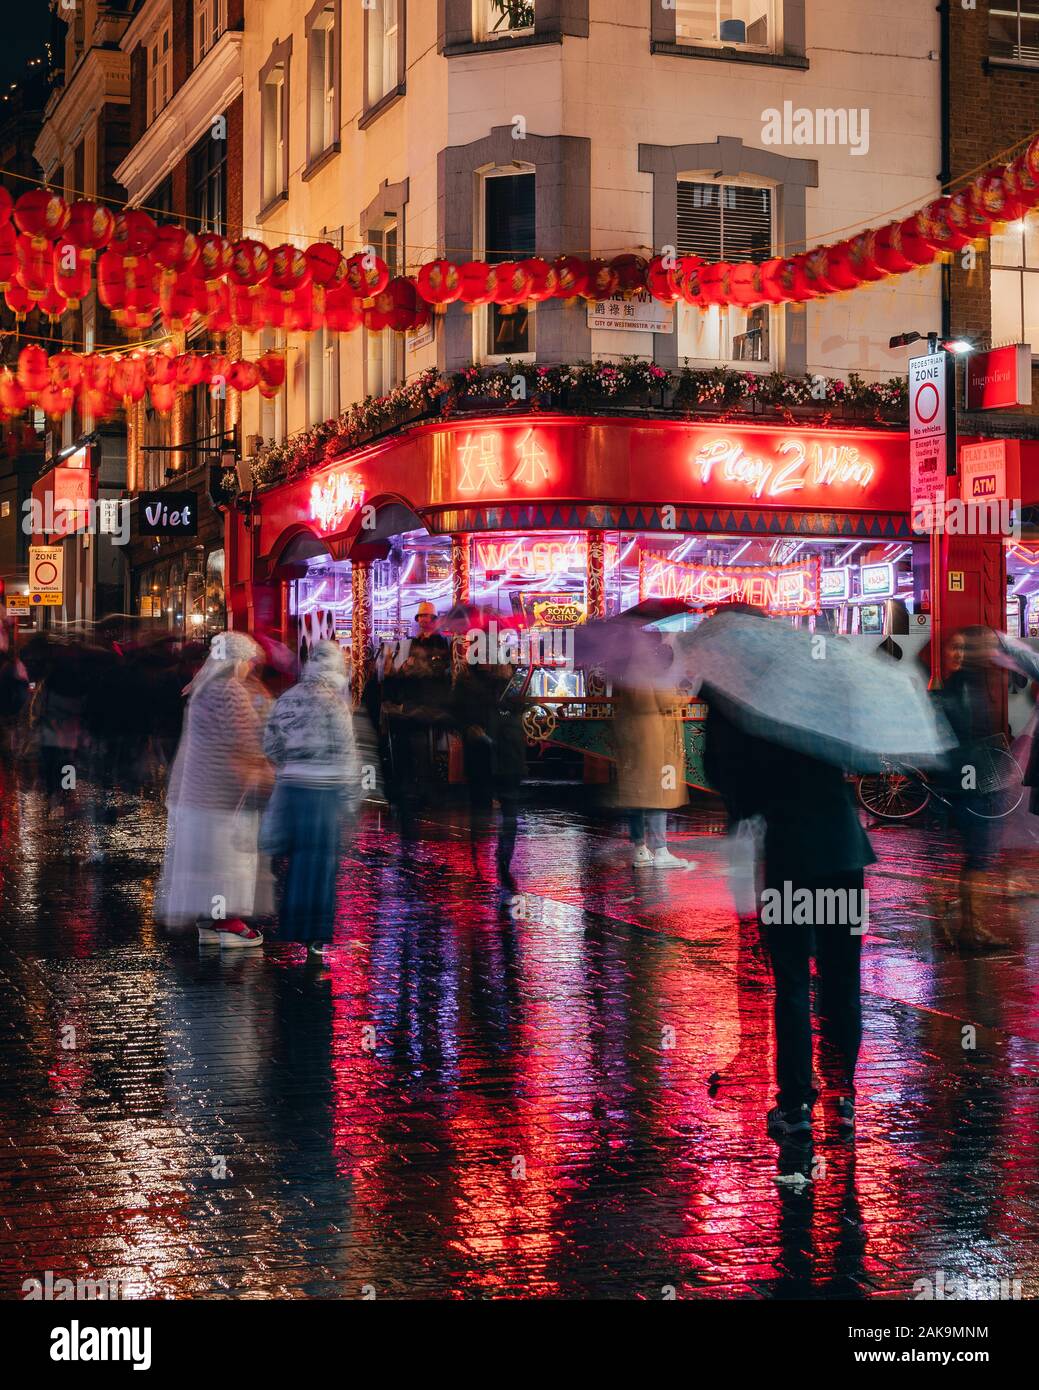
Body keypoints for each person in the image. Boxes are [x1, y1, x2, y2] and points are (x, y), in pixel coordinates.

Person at [704, 694, 875, 1143]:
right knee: (842, 982)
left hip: (790, 859)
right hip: (842, 853)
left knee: (794, 982)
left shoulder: (750, 707)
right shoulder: (825, 701)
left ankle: (797, 1104)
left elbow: (727, 780)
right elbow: (862, 759)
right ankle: (843, 1099)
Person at [155, 631, 273, 947]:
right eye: (249, 662)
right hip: (222, 794)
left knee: (207, 859)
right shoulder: (229, 691)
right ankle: (228, 923)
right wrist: (266, 771)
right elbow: (244, 741)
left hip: (198, 794)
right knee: (229, 860)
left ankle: (211, 918)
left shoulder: (205, 688)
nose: (250, 668)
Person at [262, 641, 359, 959]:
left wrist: (289, 766)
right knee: (321, 863)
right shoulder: (334, 703)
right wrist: (350, 796)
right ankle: (316, 935)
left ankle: (293, 924)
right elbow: (346, 751)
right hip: (323, 792)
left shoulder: (288, 698)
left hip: (292, 788)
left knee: (298, 858)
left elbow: (271, 742)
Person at [931, 627, 1005, 950]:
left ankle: (964, 921)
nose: (958, 654)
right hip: (970, 785)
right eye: (954, 648)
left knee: (977, 857)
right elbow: (964, 743)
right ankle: (969, 927)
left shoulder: (965, 686)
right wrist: (974, 788)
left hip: (967, 783)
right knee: (978, 857)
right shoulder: (961, 688)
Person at [612, 637, 694, 869]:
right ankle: (661, 849)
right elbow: (667, 702)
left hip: (635, 741)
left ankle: (640, 848)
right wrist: (684, 693)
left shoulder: (629, 671)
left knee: (638, 796)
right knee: (659, 794)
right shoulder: (655, 674)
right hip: (656, 741)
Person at [453, 659, 526, 889]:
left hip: (508, 756)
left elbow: (522, 708)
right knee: (481, 809)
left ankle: (503, 859)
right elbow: (457, 713)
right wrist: (469, 729)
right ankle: (479, 855)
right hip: (483, 758)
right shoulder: (470, 683)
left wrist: (508, 683)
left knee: (510, 813)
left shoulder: (511, 684)